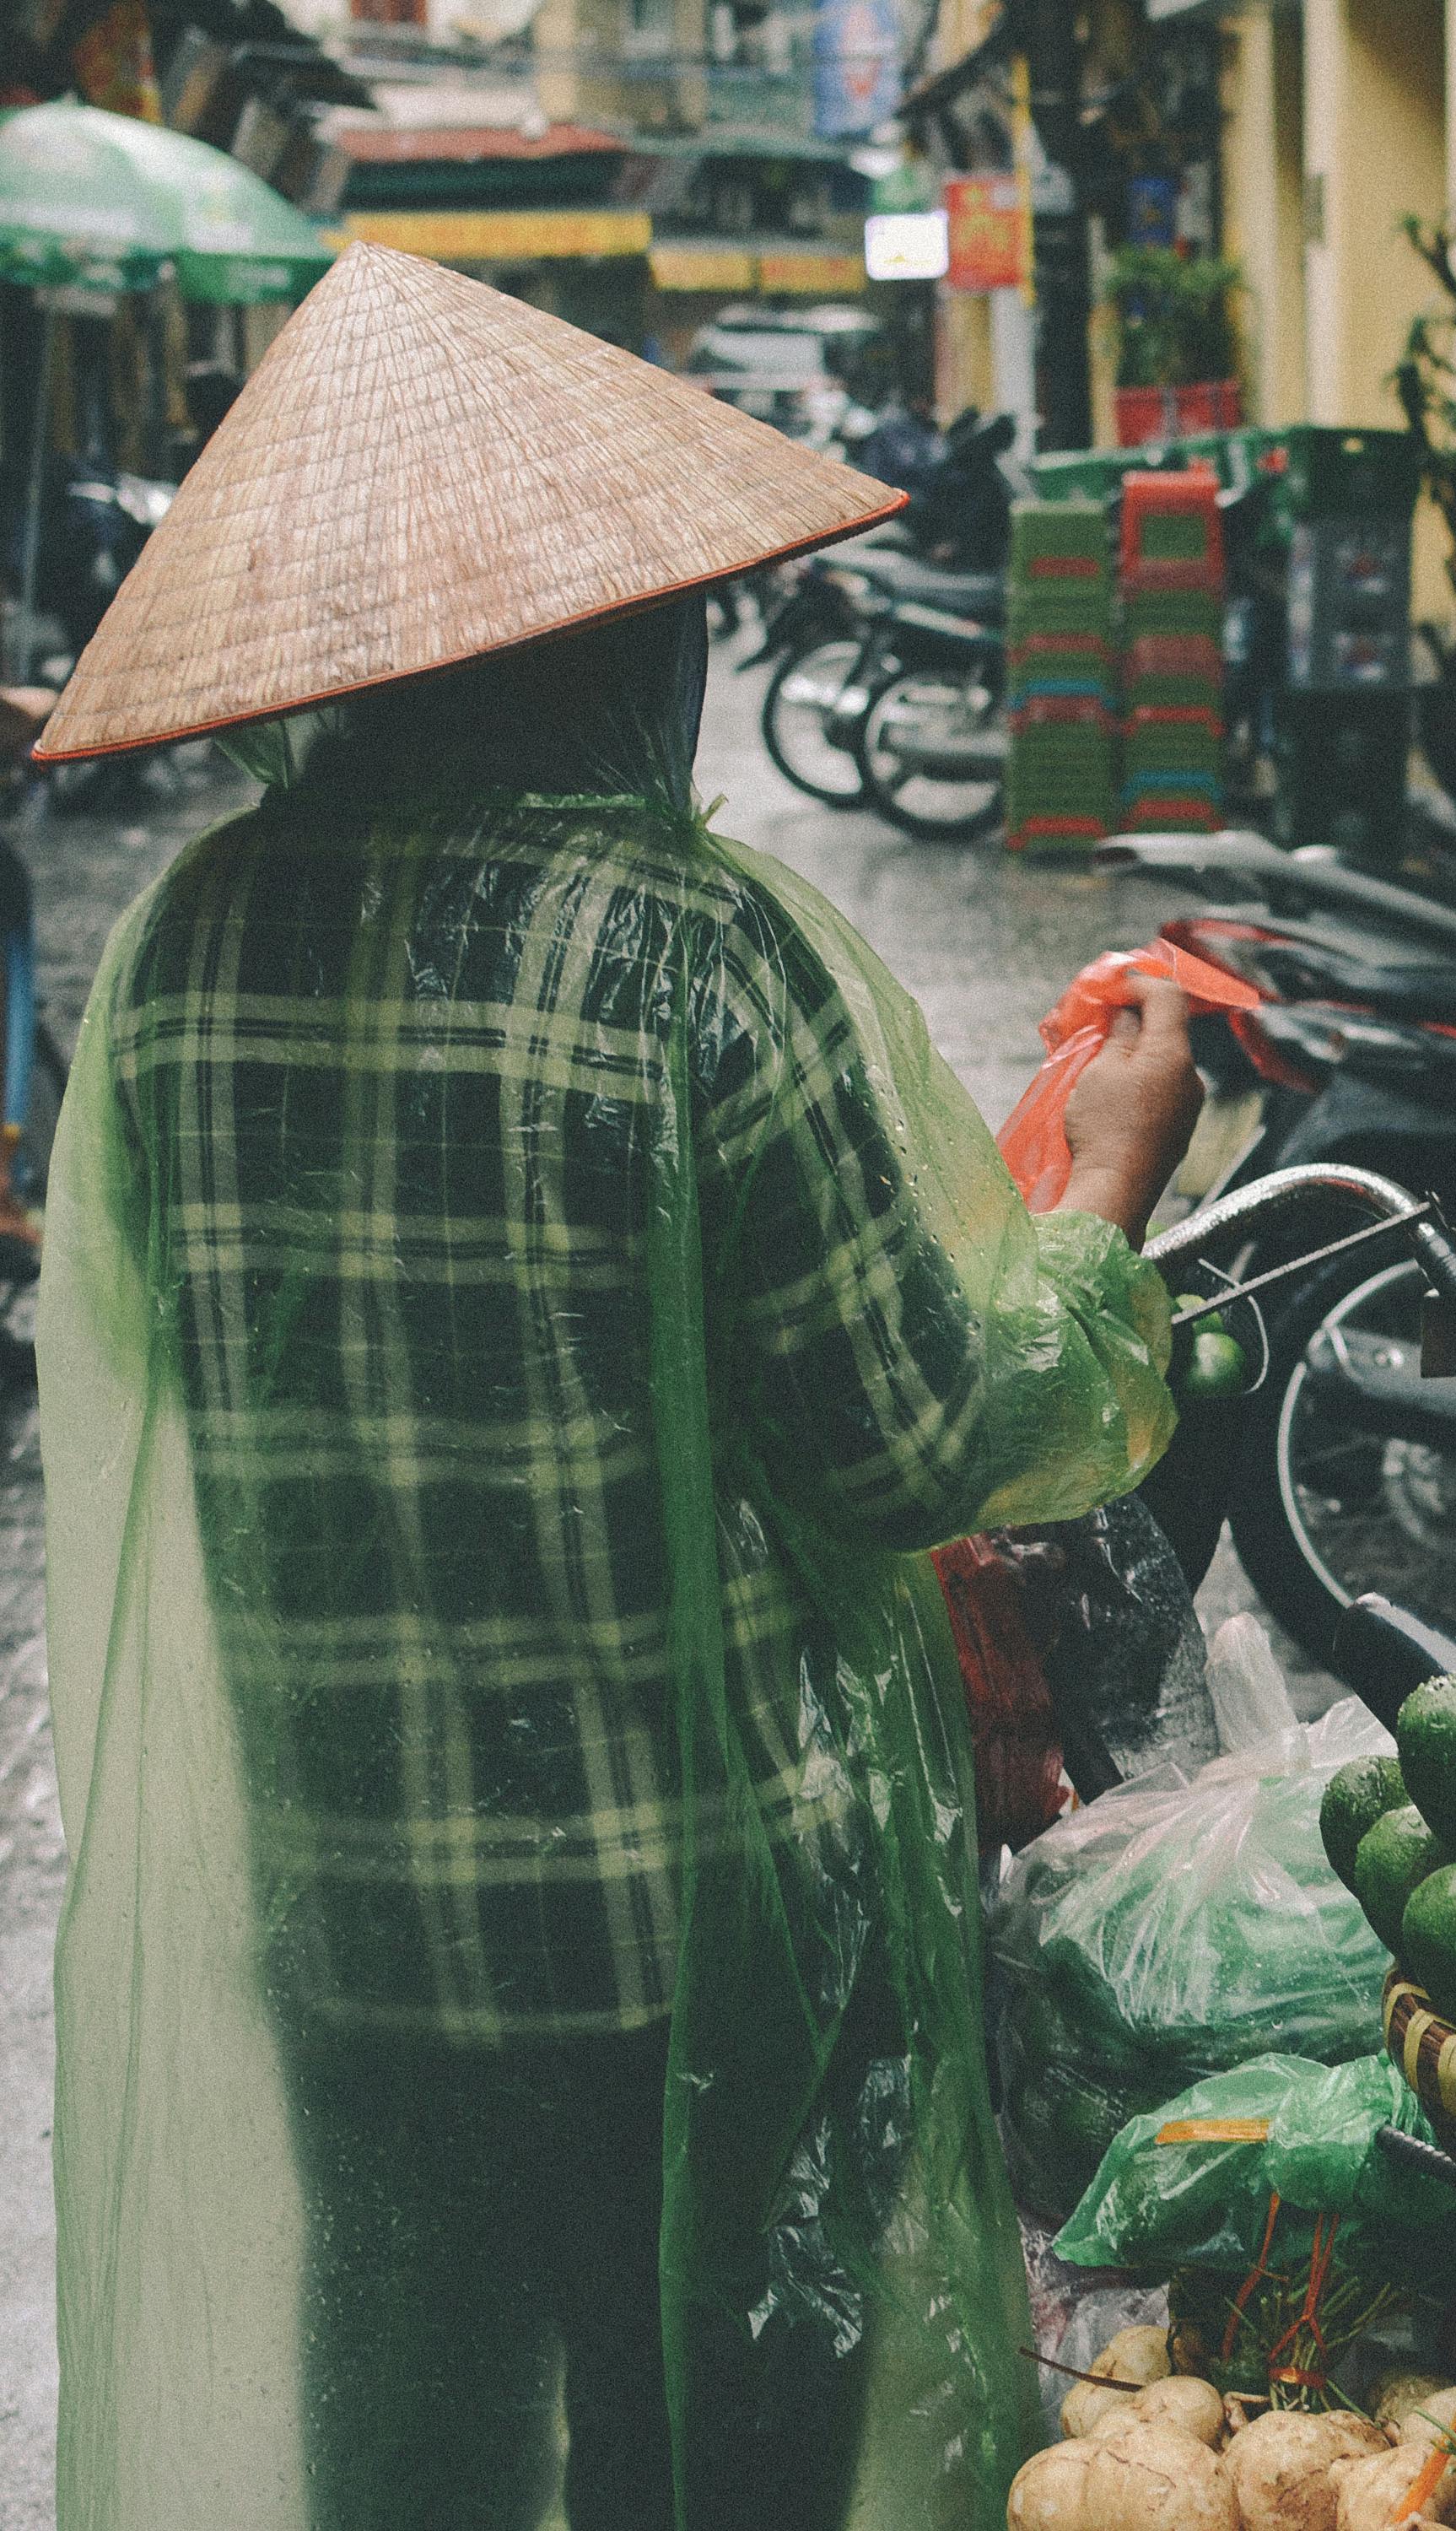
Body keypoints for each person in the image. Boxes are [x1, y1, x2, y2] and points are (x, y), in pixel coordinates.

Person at [40, 243, 1200, 2531]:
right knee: (719, 2458)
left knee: (414, 2451)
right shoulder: (693, 952)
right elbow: (932, 1440)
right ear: (612, 638)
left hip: (355, 1922)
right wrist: (1108, 1181)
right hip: (691, 1944)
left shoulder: (184, 955)